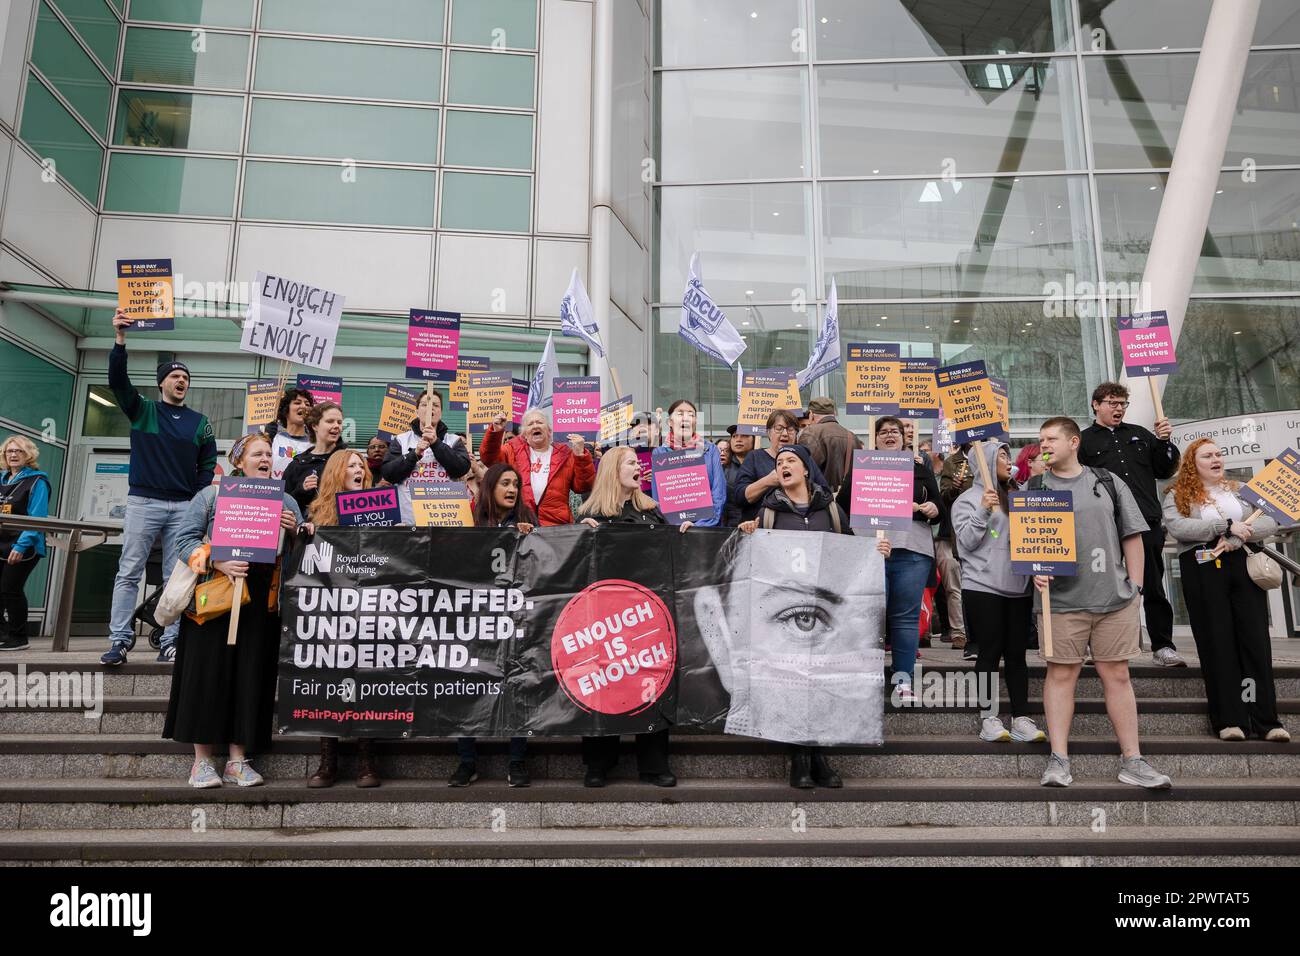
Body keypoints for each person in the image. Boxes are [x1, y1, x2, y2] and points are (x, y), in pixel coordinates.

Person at [705, 444, 889, 788]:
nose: (783, 465)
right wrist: (749, 535)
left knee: (820, 686)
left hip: (826, 618)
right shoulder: (769, 511)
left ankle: (816, 757)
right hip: (789, 619)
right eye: (779, 462)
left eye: (790, 460)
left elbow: (847, 550)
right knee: (796, 685)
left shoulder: (831, 509)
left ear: (805, 470)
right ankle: (802, 759)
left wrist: (874, 551)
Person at [1033, 417, 1172, 790]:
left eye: (1051, 438)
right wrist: (1034, 570)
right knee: (1061, 675)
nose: (1043, 444)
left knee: (1118, 675)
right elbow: (1022, 542)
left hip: (1113, 599)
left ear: (1073, 442)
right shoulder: (1035, 486)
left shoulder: (1107, 481)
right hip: (1060, 602)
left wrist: (1137, 587)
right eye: (1040, 439)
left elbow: (1133, 534)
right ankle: (1059, 760)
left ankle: (1133, 760)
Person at [164, 434, 301, 788]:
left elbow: (303, 553)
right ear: (240, 461)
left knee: (250, 677)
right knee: (206, 675)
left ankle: (239, 760)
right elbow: (183, 541)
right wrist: (218, 560)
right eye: (258, 453)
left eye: (270, 454)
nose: (266, 458)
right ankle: (202, 762)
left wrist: (296, 530)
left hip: (261, 603)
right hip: (214, 599)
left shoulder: (285, 499)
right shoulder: (210, 496)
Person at [102, 309, 217, 666]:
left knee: (178, 574)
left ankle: (171, 641)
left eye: (185, 377)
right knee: (129, 571)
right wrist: (120, 340)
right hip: (144, 503)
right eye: (175, 376)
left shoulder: (200, 423)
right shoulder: (143, 411)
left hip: (183, 508)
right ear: (162, 383)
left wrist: (196, 498)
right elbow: (118, 382)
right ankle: (120, 640)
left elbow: (208, 464)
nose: (181, 381)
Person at [1162, 439, 1289, 742]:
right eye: (1208, 455)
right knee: (1217, 642)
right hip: (1203, 568)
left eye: (1219, 454)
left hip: (1242, 565)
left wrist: (1237, 536)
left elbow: (1271, 520)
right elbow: (1178, 528)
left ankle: (1265, 720)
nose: (1216, 459)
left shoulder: (1242, 490)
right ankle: (1229, 719)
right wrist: (1224, 527)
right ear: (1193, 463)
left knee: (1254, 641)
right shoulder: (1176, 494)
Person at [575, 446, 676, 786]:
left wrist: (684, 538)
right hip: (605, 622)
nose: (639, 467)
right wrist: (580, 538)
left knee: (651, 684)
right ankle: (598, 763)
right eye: (632, 462)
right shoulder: (590, 515)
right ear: (613, 470)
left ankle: (654, 764)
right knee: (603, 687)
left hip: (647, 619)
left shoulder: (653, 512)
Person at [1080, 382, 1184, 667]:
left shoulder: (1141, 435)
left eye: (1122, 403)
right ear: (1096, 404)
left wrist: (1164, 443)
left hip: (1145, 520)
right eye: (1112, 403)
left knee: (1152, 585)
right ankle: (1098, 646)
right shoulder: (1084, 441)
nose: (1118, 408)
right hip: (1104, 523)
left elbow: (1165, 470)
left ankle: (1162, 646)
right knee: (1100, 584)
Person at [450, 462, 537, 788]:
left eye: (516, 483)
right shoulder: (469, 521)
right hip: (474, 620)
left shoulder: (528, 520)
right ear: (490, 487)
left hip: (514, 620)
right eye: (505, 483)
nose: (512, 489)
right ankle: (466, 761)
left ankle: (517, 760)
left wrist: (532, 540)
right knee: (467, 687)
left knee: (516, 686)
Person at [951, 441, 1044, 743]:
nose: (1008, 460)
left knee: (1017, 655)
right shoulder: (967, 499)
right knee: (989, 652)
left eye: (1008, 454)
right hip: (983, 586)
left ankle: (1021, 717)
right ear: (987, 462)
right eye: (1001, 455)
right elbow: (965, 542)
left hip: (1018, 587)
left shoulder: (1019, 495)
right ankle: (988, 717)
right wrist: (983, 511)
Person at [302, 450, 385, 788]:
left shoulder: (379, 507)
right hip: (331, 612)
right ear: (337, 472)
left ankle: (367, 762)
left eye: (361, 466)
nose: (358, 469)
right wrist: (307, 533)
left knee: (366, 681)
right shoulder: (318, 513)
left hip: (369, 610)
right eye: (351, 465)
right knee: (328, 682)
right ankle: (327, 762)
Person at [875, 416, 941, 700]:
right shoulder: (862, 465)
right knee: (870, 618)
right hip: (874, 549)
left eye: (895, 431)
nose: (890, 435)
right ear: (875, 438)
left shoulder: (919, 467)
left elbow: (939, 506)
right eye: (884, 432)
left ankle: (903, 681)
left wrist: (930, 508)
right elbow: (844, 505)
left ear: (904, 438)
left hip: (912, 548)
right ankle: (868, 678)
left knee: (905, 618)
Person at [481, 409, 594, 526]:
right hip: (521, 524)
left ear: (549, 430)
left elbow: (583, 486)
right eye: (530, 424)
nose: (535, 426)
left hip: (555, 527)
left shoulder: (565, 453)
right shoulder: (512, 449)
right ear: (524, 434)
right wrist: (495, 433)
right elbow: (489, 459)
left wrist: (580, 456)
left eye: (539, 422)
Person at [381, 390, 470, 524]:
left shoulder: (454, 440)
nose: (430, 408)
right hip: (409, 523)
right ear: (417, 411)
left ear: (441, 412)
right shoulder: (401, 440)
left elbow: (461, 468)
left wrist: (436, 444)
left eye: (435, 405)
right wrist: (414, 454)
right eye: (425, 405)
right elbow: (388, 473)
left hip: (443, 521)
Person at [729, 409, 831, 525]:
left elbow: (825, 493)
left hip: (801, 528)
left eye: (790, 429)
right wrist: (767, 481)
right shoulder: (754, 457)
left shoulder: (805, 459)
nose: (785, 433)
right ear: (768, 433)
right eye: (779, 429)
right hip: (763, 529)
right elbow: (739, 498)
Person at [0, 436, 52, 650]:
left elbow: (37, 517)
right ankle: (3, 634)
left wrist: (20, 546)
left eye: (18, 451)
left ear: (28, 454)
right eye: (9, 451)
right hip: (1, 542)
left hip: (24, 544)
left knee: (10, 589)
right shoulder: (2, 479)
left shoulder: (37, 481)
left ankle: (19, 637)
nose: (13, 455)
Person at [655, 399, 726, 527]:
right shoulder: (659, 454)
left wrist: (700, 525)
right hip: (673, 530)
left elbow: (718, 492)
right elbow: (658, 498)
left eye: (691, 414)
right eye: (680, 413)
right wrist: (677, 524)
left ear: (695, 422)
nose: (686, 418)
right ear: (670, 422)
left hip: (706, 530)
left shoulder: (710, 450)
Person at [939, 443, 975, 657]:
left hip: (991, 531)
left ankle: (979, 633)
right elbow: (943, 497)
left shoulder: (992, 455)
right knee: (956, 587)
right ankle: (960, 633)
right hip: (960, 531)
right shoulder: (952, 462)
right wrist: (953, 488)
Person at [282, 401, 345, 515]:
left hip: (339, 530)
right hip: (305, 531)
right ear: (315, 425)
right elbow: (283, 505)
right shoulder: (297, 464)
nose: (336, 426)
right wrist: (302, 490)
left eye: (339, 422)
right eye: (330, 421)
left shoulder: (348, 460)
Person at [799, 397, 856, 497]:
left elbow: (803, 471)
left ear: (811, 415)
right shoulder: (852, 436)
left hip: (820, 502)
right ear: (834, 414)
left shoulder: (811, 433)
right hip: (848, 502)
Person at [267, 386, 315, 481]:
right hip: (273, 492)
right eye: (297, 403)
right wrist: (266, 439)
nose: (303, 406)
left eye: (307, 404)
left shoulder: (315, 444)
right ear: (286, 410)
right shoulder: (274, 439)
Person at [722, 425, 753, 526]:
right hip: (728, 528)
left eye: (744, 435)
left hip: (756, 527)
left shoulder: (761, 464)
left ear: (754, 439)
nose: (738, 439)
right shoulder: (722, 468)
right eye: (734, 436)